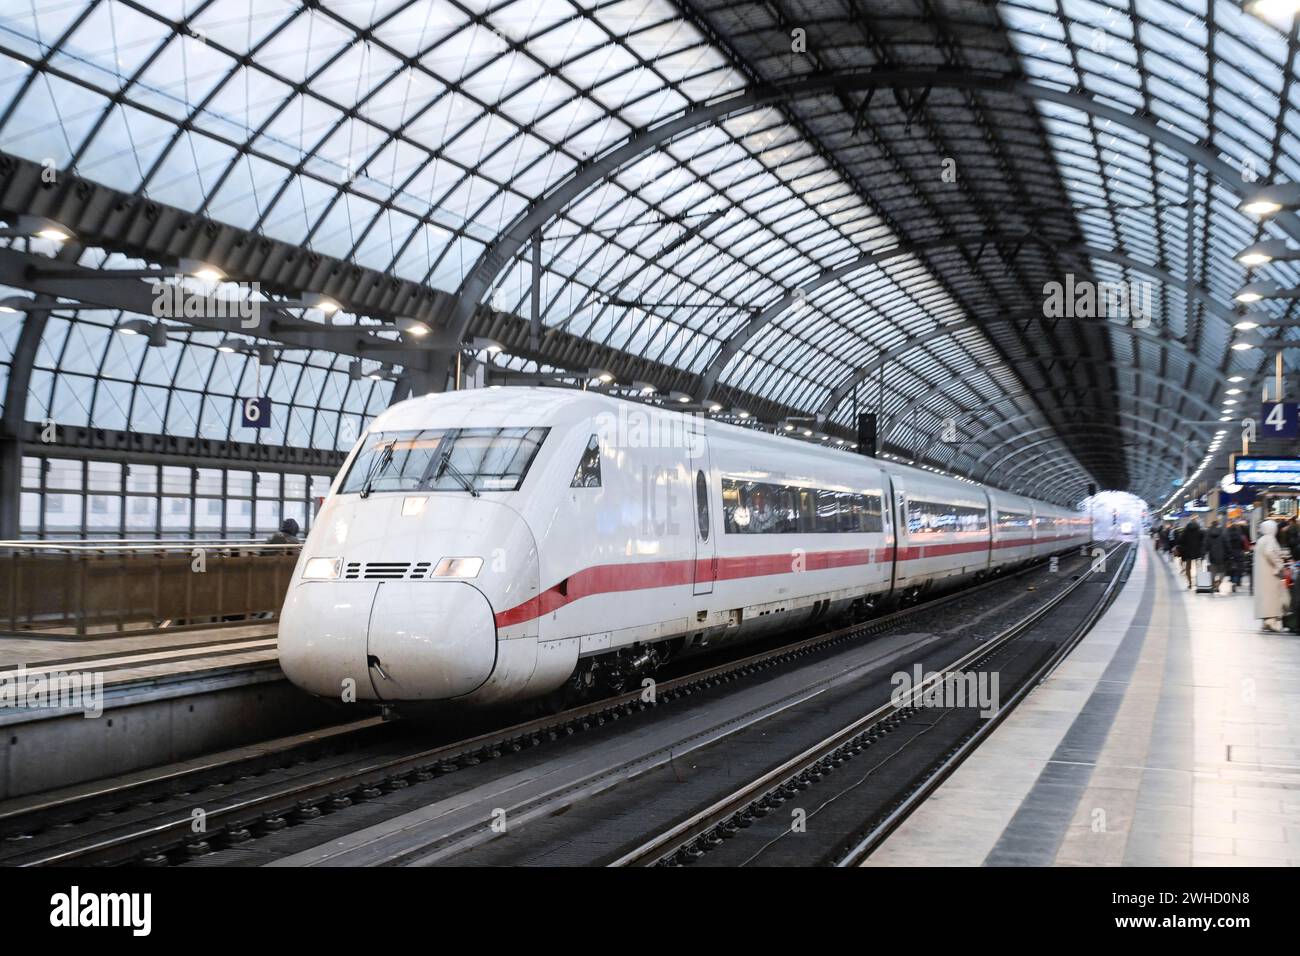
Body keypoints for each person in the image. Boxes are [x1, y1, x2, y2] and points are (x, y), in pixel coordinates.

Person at [1254, 519, 1286, 631]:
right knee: (1273, 597)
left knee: (1264, 598)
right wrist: (1278, 565)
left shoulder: (1261, 540)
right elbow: (1269, 552)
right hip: (1270, 574)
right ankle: (1271, 621)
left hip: (1262, 575)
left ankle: (1265, 621)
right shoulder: (1270, 539)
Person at [1175, 518, 1204, 589]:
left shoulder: (1185, 531)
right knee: (1199, 568)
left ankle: (1190, 583)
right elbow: (1203, 540)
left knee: (1188, 568)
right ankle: (1199, 582)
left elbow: (1179, 541)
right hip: (1197, 552)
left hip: (1188, 553)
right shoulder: (1199, 531)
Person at [1204, 520, 1230, 592]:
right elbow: (1226, 544)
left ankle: (1213, 586)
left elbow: (1206, 545)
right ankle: (1218, 585)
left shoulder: (1208, 533)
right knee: (1222, 572)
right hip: (1222, 556)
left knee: (1213, 572)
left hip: (1212, 556)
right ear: (1218, 524)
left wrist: (1204, 552)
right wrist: (1229, 552)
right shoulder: (1222, 532)